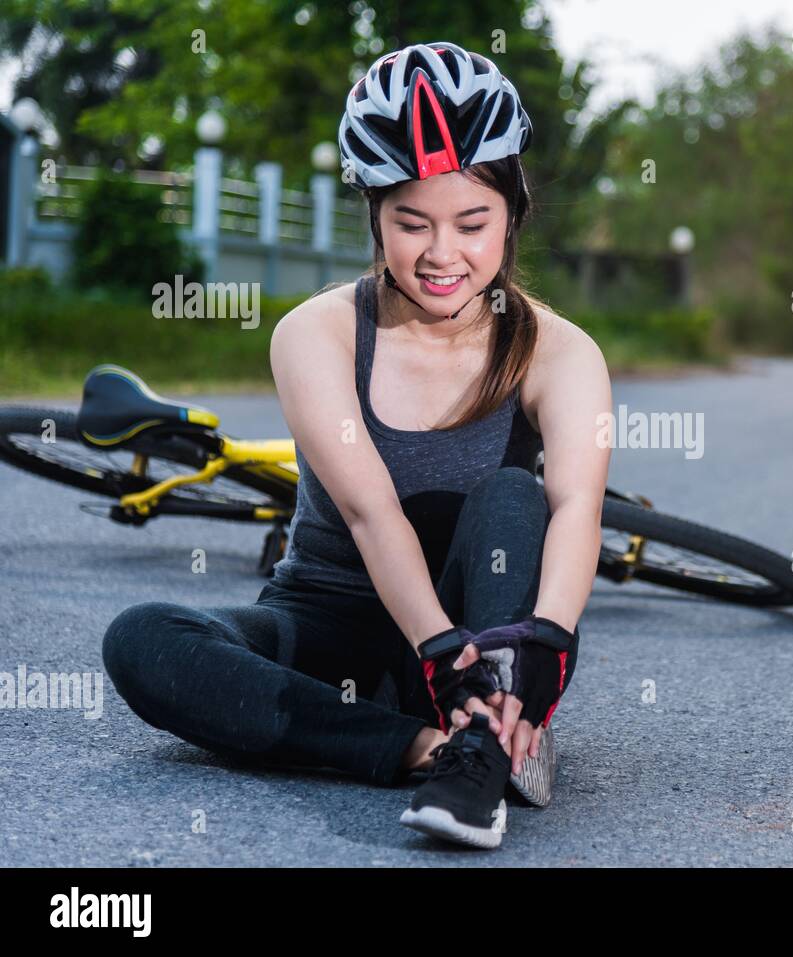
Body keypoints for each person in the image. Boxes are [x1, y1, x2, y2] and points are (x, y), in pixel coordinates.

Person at [100, 40, 612, 850]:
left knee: (516, 496)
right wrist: (433, 653)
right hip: (329, 623)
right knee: (141, 639)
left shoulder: (560, 350)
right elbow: (371, 512)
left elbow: (579, 508)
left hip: (480, 637)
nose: (443, 254)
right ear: (373, 215)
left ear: (513, 212)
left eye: (472, 223)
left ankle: (491, 732)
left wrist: (547, 641)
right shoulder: (318, 332)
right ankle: (428, 747)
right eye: (412, 223)